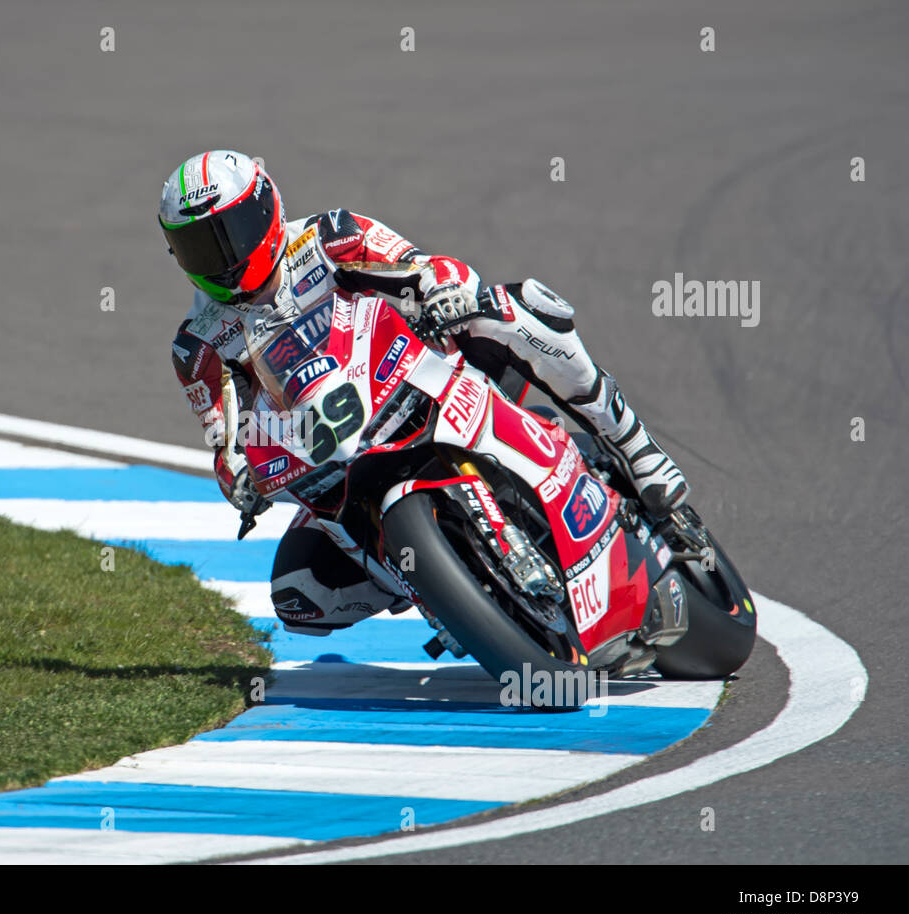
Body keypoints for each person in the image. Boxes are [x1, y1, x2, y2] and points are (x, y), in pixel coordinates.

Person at [161, 149, 687, 636]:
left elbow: (418, 265)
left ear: (266, 208)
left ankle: (632, 443)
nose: (222, 257)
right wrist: (241, 480)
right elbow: (225, 438)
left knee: (514, 308)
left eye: (230, 232)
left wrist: (440, 288)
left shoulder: (328, 236)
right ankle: (437, 583)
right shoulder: (198, 344)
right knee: (298, 595)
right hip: (329, 443)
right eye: (200, 246)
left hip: (416, 370)